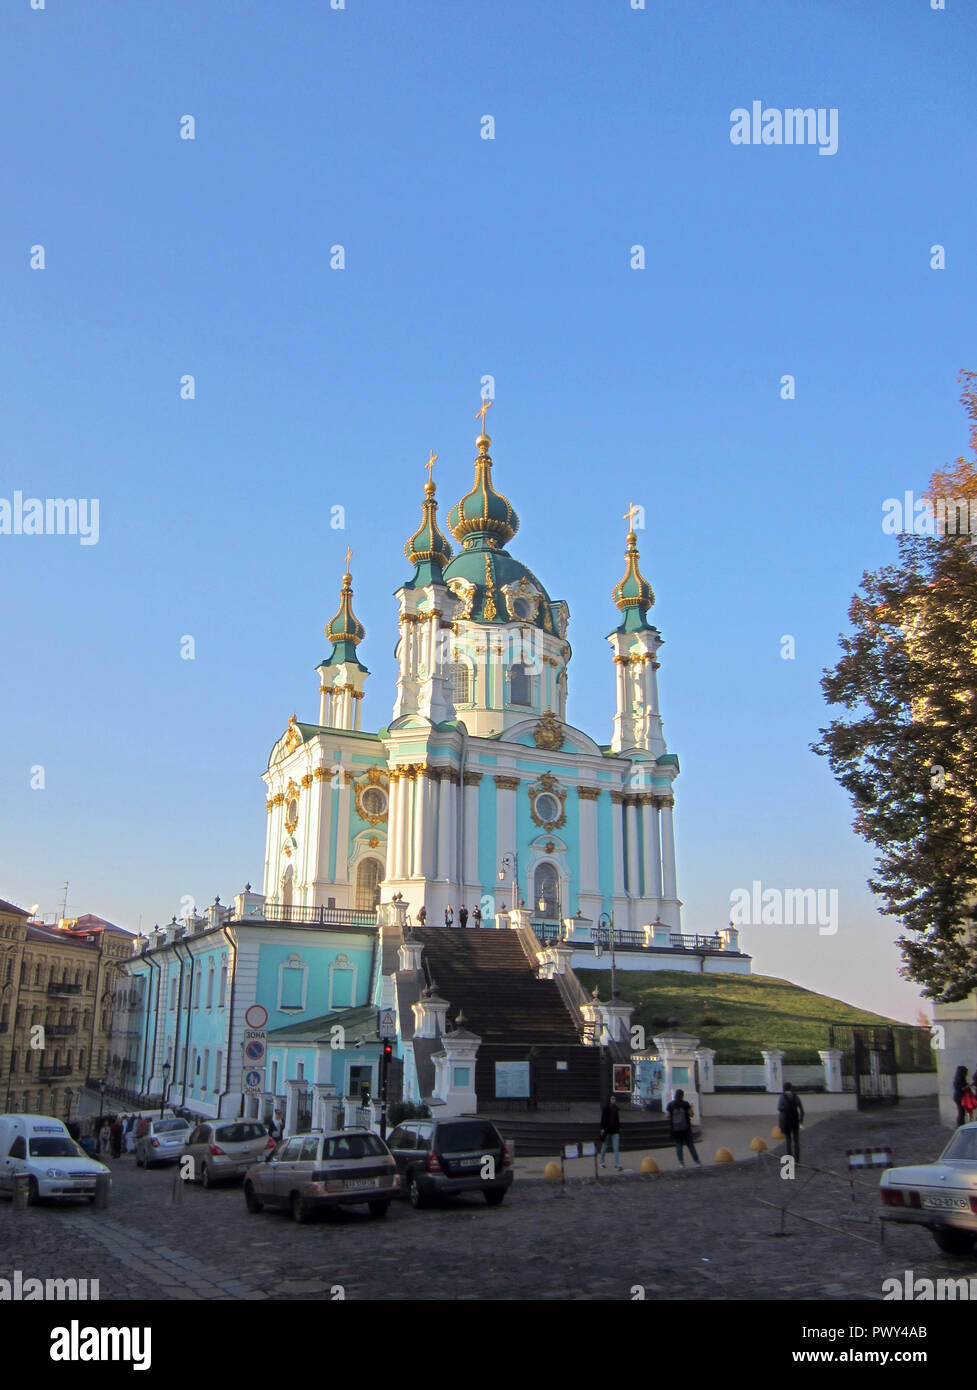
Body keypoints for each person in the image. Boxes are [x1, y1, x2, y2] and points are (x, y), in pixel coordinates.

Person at [667, 1088, 701, 1166]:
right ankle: (697, 1161)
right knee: (690, 1145)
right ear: (682, 1096)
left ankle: (681, 1163)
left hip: (676, 1129)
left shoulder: (670, 1105)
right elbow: (691, 1115)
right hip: (686, 1129)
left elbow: (668, 1116)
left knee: (679, 1146)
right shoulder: (685, 1104)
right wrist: (691, 1108)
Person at [778, 1081, 805, 1161]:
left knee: (788, 1140)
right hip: (795, 1120)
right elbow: (802, 1111)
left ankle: (790, 1159)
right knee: (796, 1140)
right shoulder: (796, 1097)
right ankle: (797, 1159)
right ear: (791, 1088)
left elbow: (779, 1108)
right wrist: (801, 1121)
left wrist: (781, 1123)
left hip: (786, 1121)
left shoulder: (782, 1097)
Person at [599, 1094, 623, 1170]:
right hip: (607, 1130)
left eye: (614, 1099)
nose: (613, 1100)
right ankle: (602, 1162)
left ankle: (617, 1164)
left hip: (615, 1130)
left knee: (616, 1148)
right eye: (612, 1099)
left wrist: (619, 1127)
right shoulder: (606, 1108)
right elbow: (603, 1119)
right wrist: (602, 1128)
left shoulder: (616, 1108)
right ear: (609, 1100)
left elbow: (617, 1119)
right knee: (604, 1147)